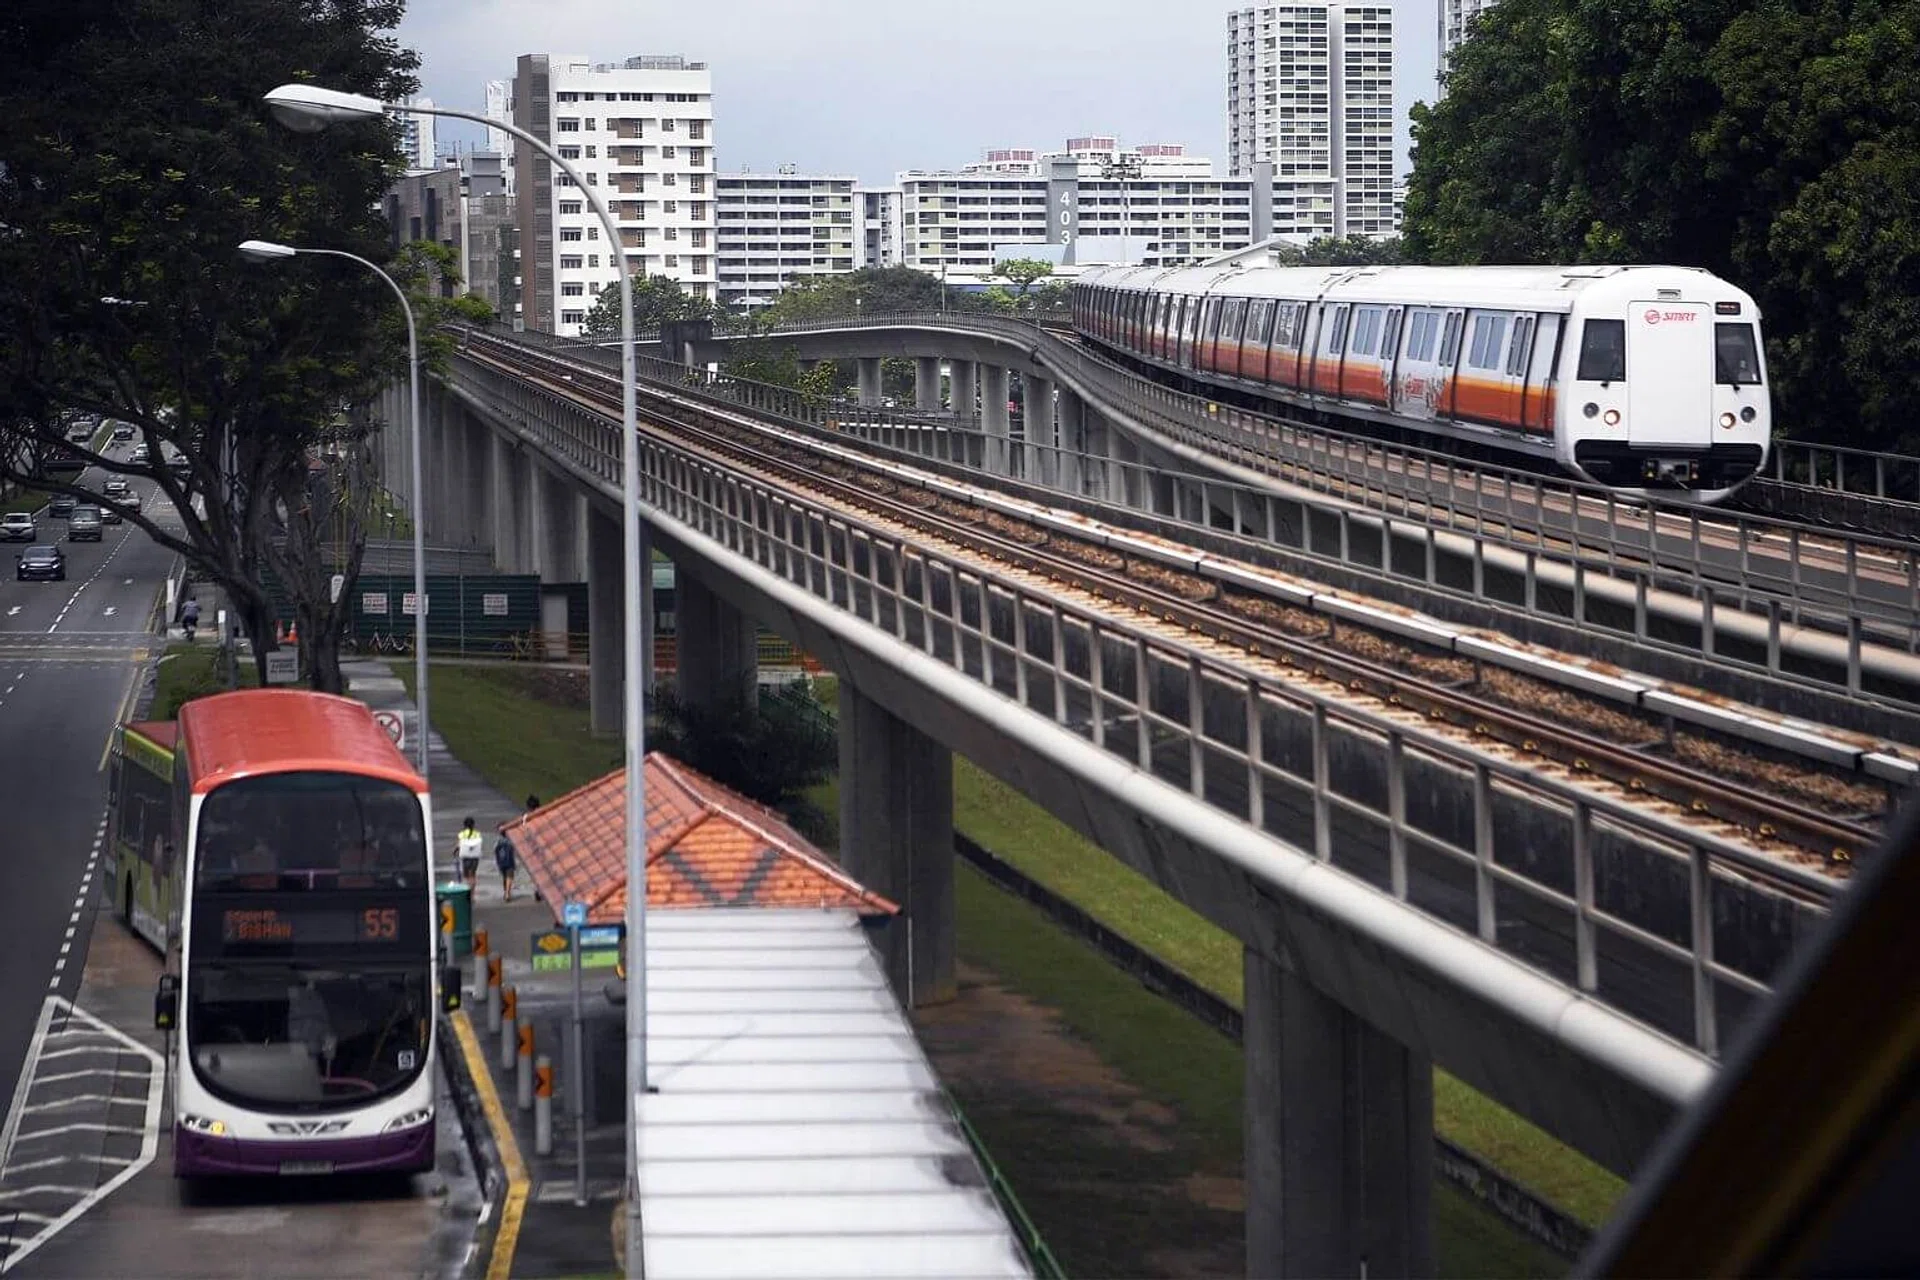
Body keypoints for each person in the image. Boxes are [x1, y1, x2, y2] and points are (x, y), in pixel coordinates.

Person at [493, 824, 519, 902]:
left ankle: (506, 892)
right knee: (509, 876)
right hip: (510, 860)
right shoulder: (511, 840)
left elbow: (495, 851)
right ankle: (507, 893)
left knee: (505, 877)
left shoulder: (498, 841)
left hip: (501, 861)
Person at [456, 817, 482, 890]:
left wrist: (455, 851)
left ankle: (468, 889)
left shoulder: (462, 834)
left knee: (466, 875)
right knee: (473, 875)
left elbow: (459, 845)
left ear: (464, 825)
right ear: (473, 825)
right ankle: (472, 892)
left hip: (466, 857)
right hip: (475, 856)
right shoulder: (477, 834)